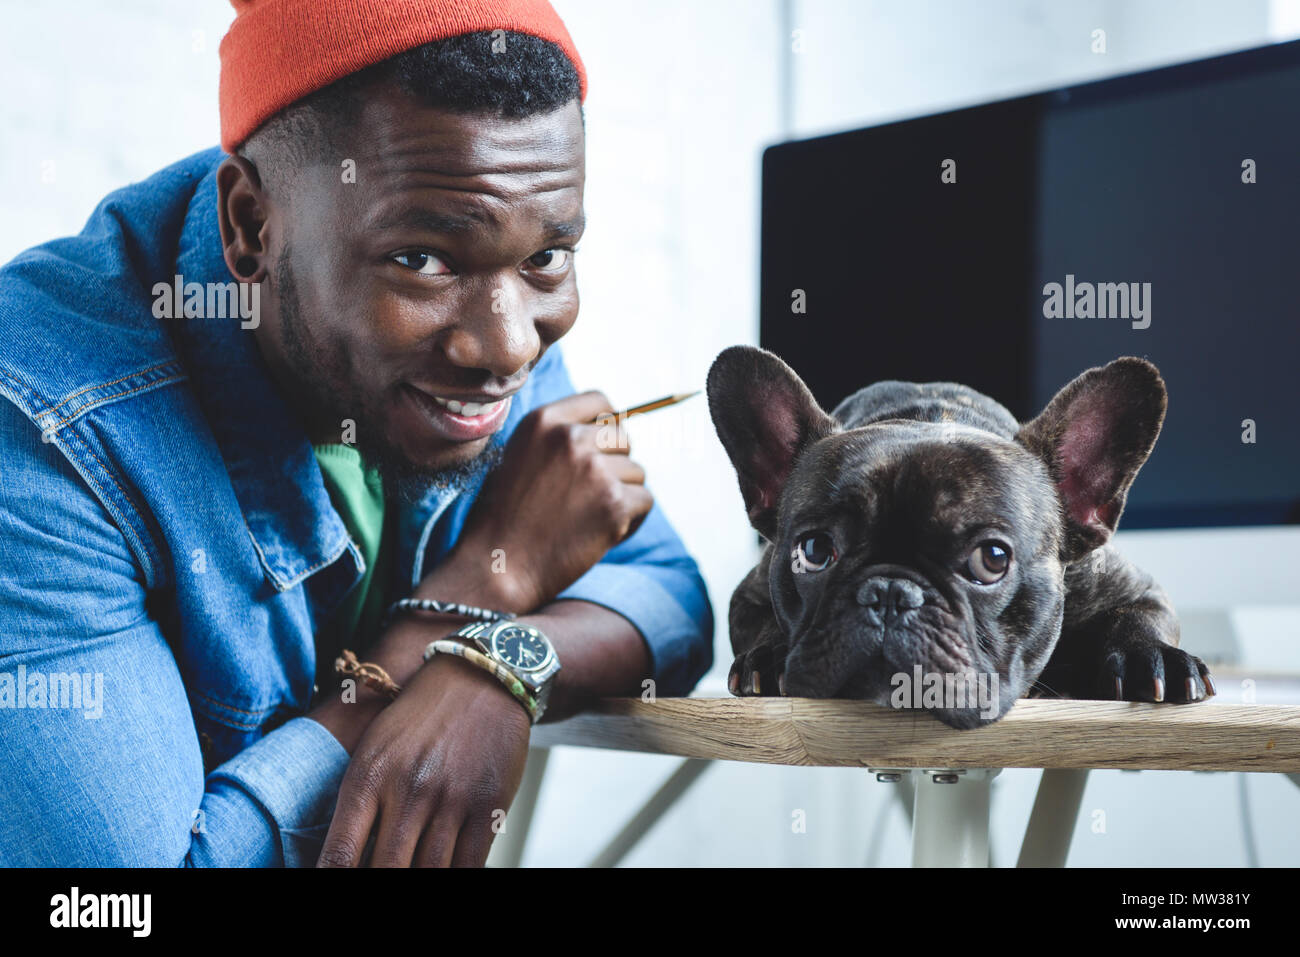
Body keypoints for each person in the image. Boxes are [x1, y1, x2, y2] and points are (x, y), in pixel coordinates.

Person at [0, 0, 713, 867]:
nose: (510, 347)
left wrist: (489, 667)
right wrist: (488, 590)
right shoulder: (41, 426)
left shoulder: (473, 319)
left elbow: (668, 595)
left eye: (548, 258)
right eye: (421, 260)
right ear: (252, 228)